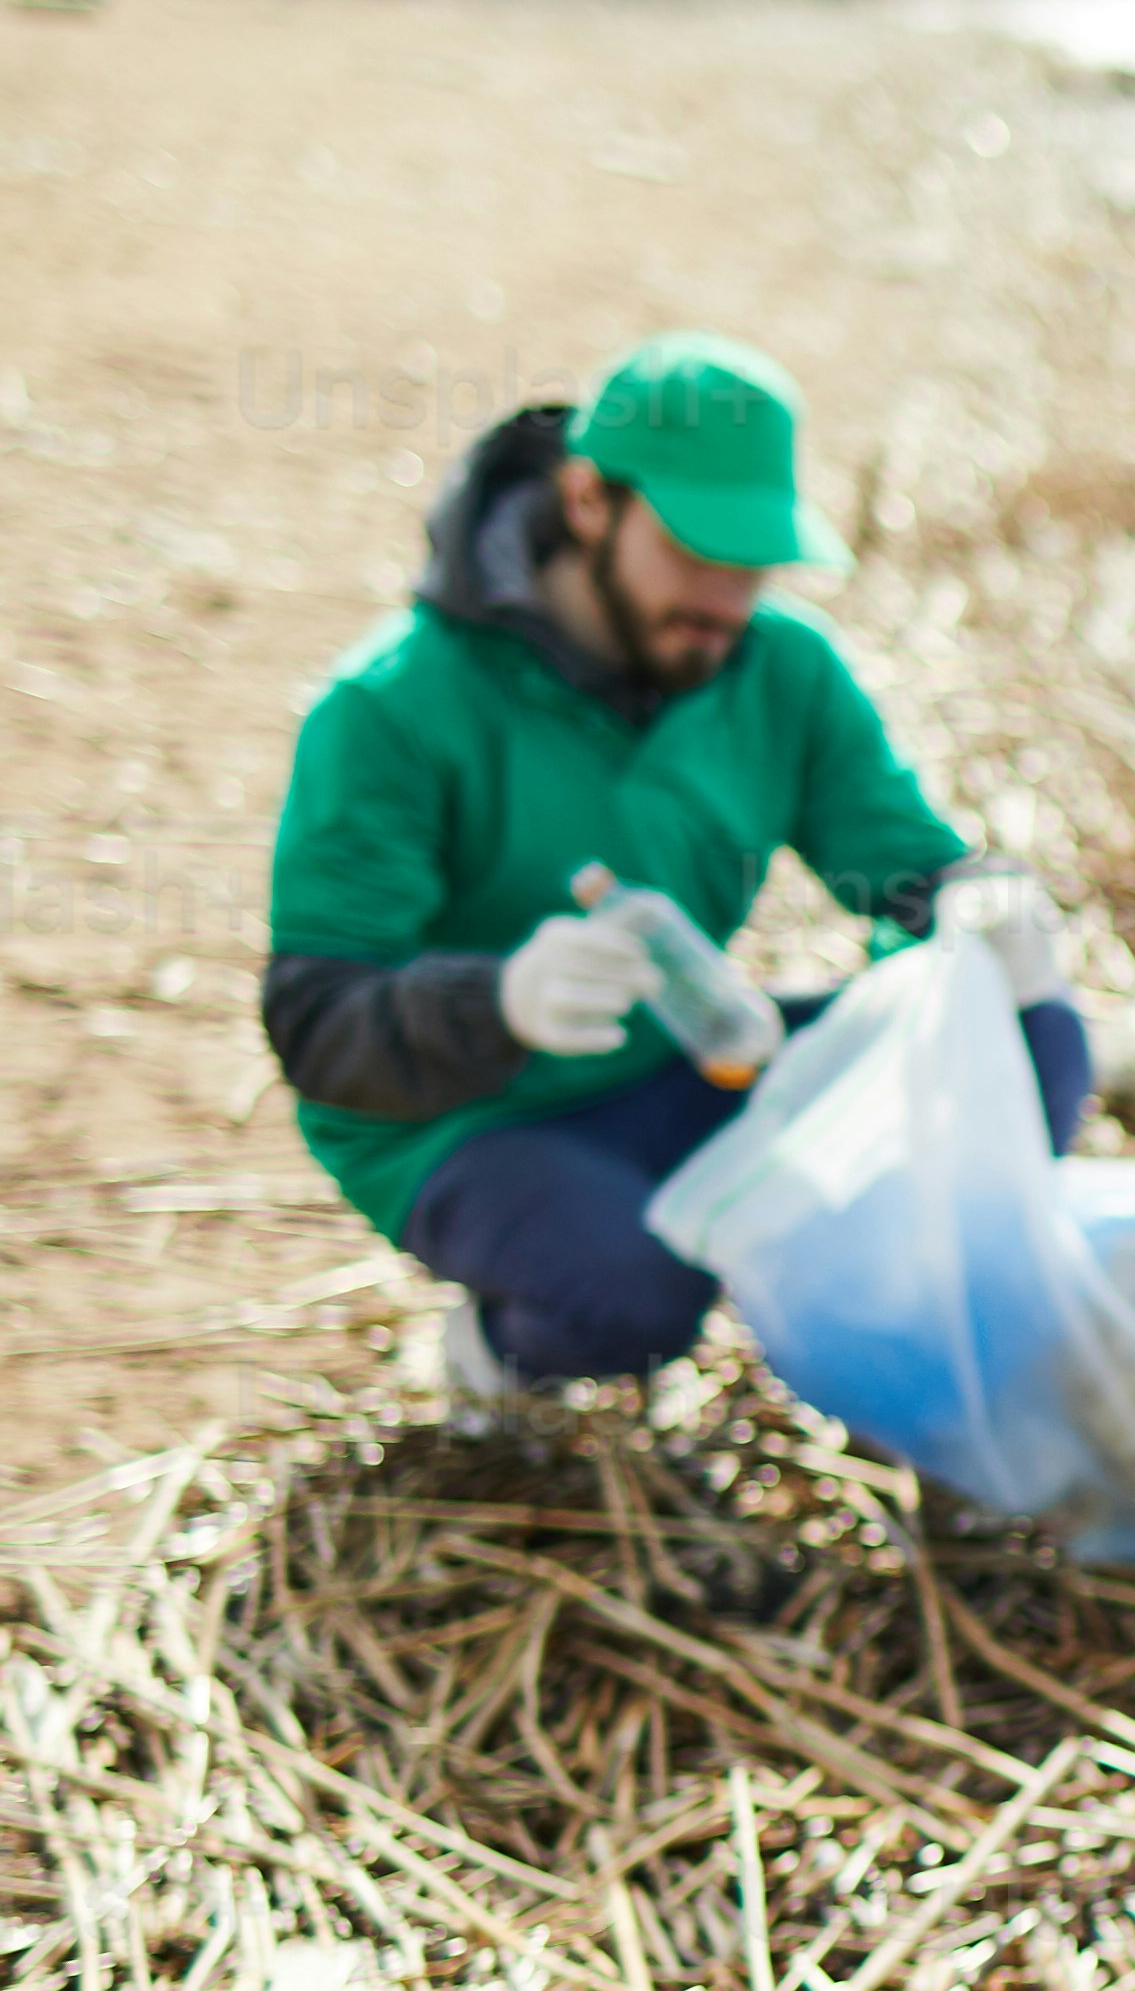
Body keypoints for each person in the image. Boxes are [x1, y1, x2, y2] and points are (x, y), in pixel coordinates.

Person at [263, 331, 1082, 1415]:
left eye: (753, 564)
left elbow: (902, 871)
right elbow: (318, 1020)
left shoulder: (780, 670)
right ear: (587, 501)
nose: (725, 600)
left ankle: (956, 1344)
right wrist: (498, 1002)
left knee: (1033, 1029)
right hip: (468, 1119)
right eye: (696, 554)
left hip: (690, 1058)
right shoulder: (390, 707)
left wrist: (976, 904)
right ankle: (489, 1363)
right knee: (634, 1295)